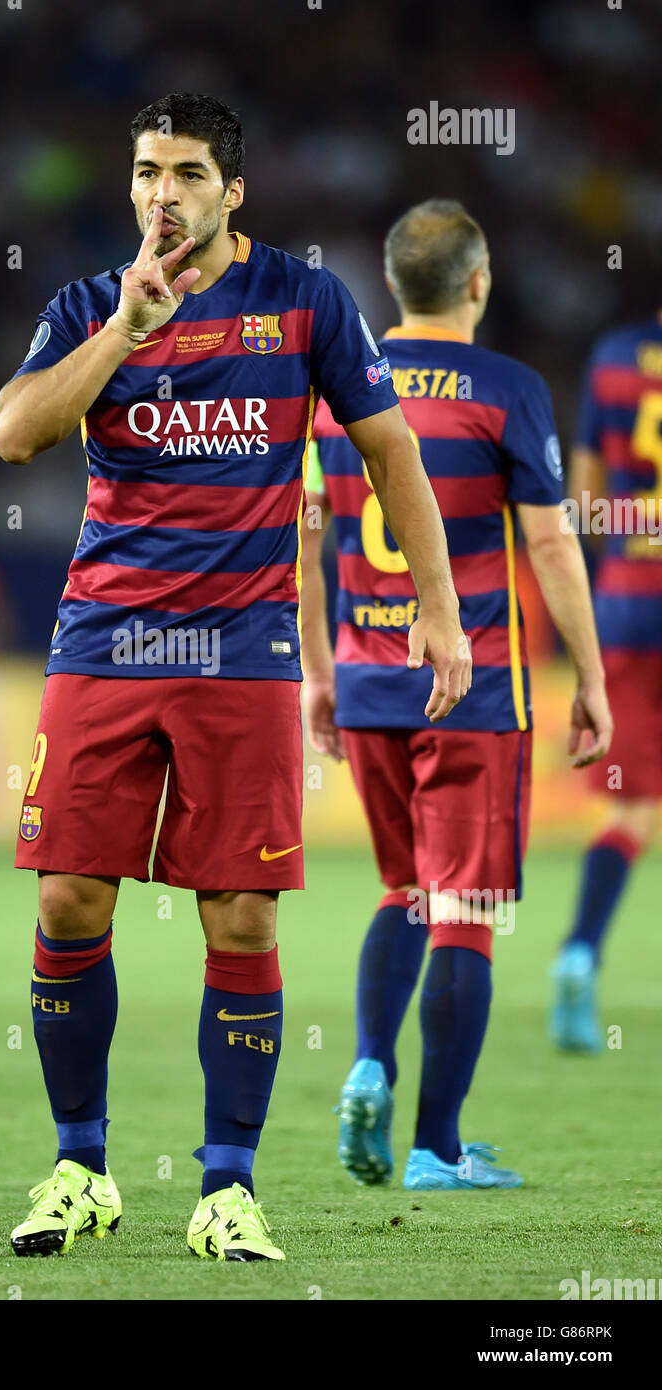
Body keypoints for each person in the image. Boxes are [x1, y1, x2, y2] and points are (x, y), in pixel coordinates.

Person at [0, 97, 471, 1259]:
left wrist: (440, 613)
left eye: (189, 173)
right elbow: (12, 432)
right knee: (67, 899)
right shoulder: (83, 305)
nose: (163, 193)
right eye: (147, 169)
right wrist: (121, 332)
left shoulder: (304, 302)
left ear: (232, 191)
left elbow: (390, 448)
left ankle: (226, 1186)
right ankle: (79, 1166)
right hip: (103, 639)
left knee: (243, 912)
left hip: (242, 653)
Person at [301, 199, 611, 1191]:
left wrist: (313, 673)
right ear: (476, 283)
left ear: (393, 285)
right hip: (469, 689)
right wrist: (591, 674)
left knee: (401, 892)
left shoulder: (331, 388)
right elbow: (550, 540)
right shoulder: (508, 389)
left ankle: (364, 1061)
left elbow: (301, 544)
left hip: (364, 680)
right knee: (462, 908)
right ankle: (435, 1148)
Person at [549, 310, 662, 1051]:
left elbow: (584, 496)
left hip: (628, 599)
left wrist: (631, 546)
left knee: (629, 809)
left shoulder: (616, 353)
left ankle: (580, 951)